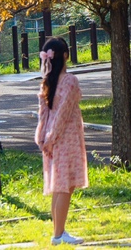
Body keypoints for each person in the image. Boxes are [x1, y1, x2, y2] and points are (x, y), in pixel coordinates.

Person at [35, 36, 88, 245]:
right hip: (66, 138)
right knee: (65, 185)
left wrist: (42, 138)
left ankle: (59, 231)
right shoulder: (69, 81)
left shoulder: (47, 82)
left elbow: (43, 114)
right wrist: (52, 138)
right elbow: (64, 113)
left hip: (51, 139)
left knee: (59, 186)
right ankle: (58, 234)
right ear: (65, 55)